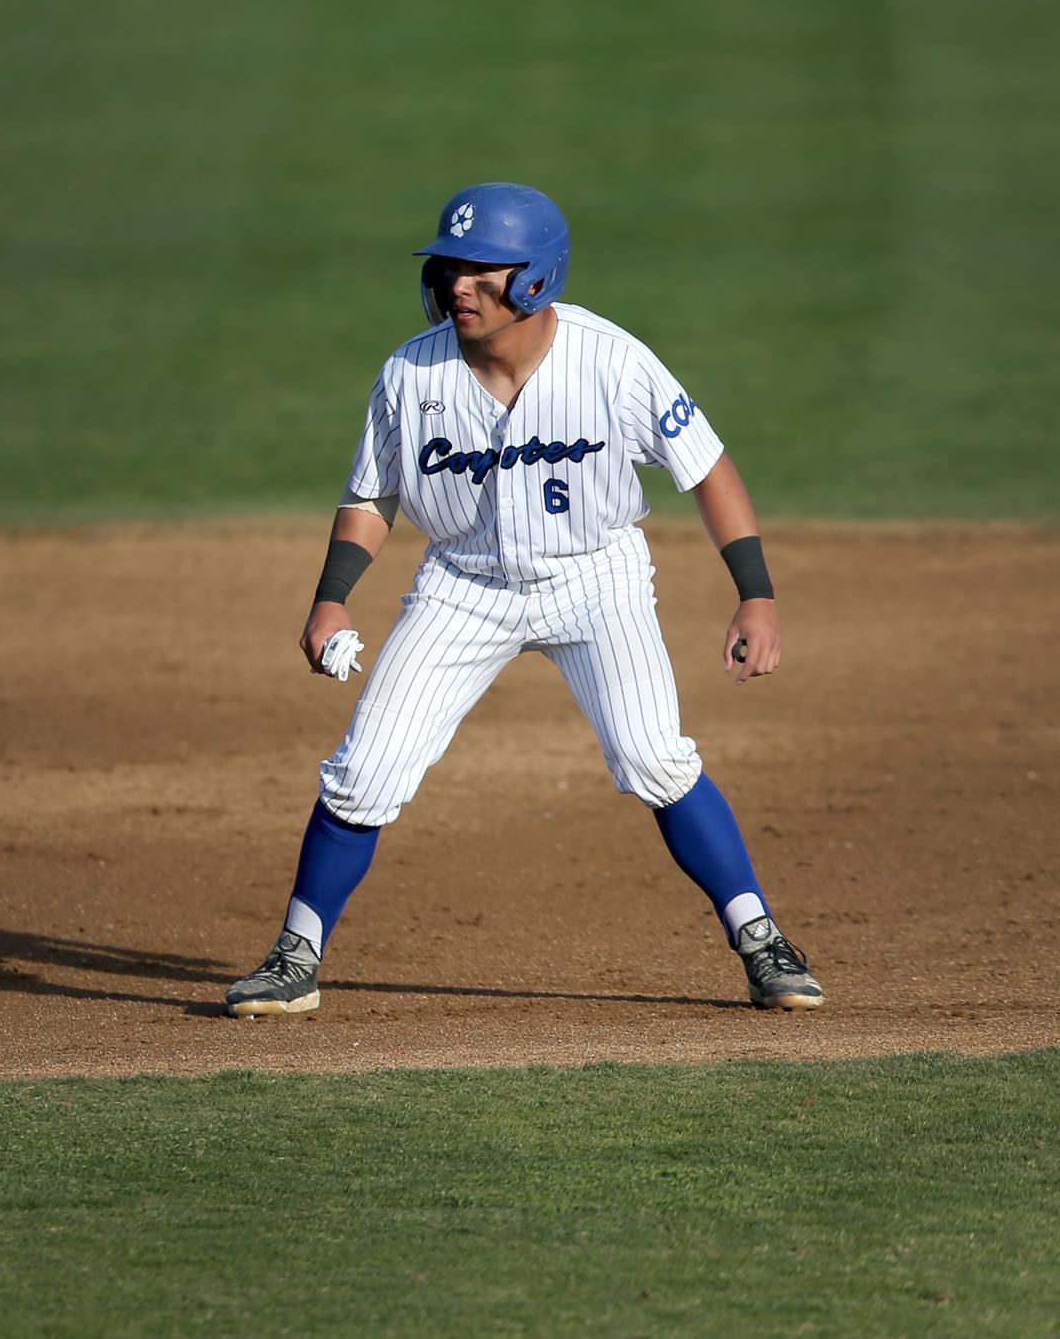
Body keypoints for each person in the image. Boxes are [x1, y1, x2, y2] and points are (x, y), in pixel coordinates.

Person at [225, 182, 823, 1017]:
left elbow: (710, 469)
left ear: (536, 277)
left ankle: (762, 941)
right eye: (449, 268)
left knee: (656, 758)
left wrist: (755, 596)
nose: (456, 284)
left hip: (596, 578)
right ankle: (296, 956)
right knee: (363, 773)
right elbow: (371, 496)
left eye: (478, 269)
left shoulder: (612, 360)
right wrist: (331, 598)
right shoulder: (410, 371)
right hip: (461, 586)